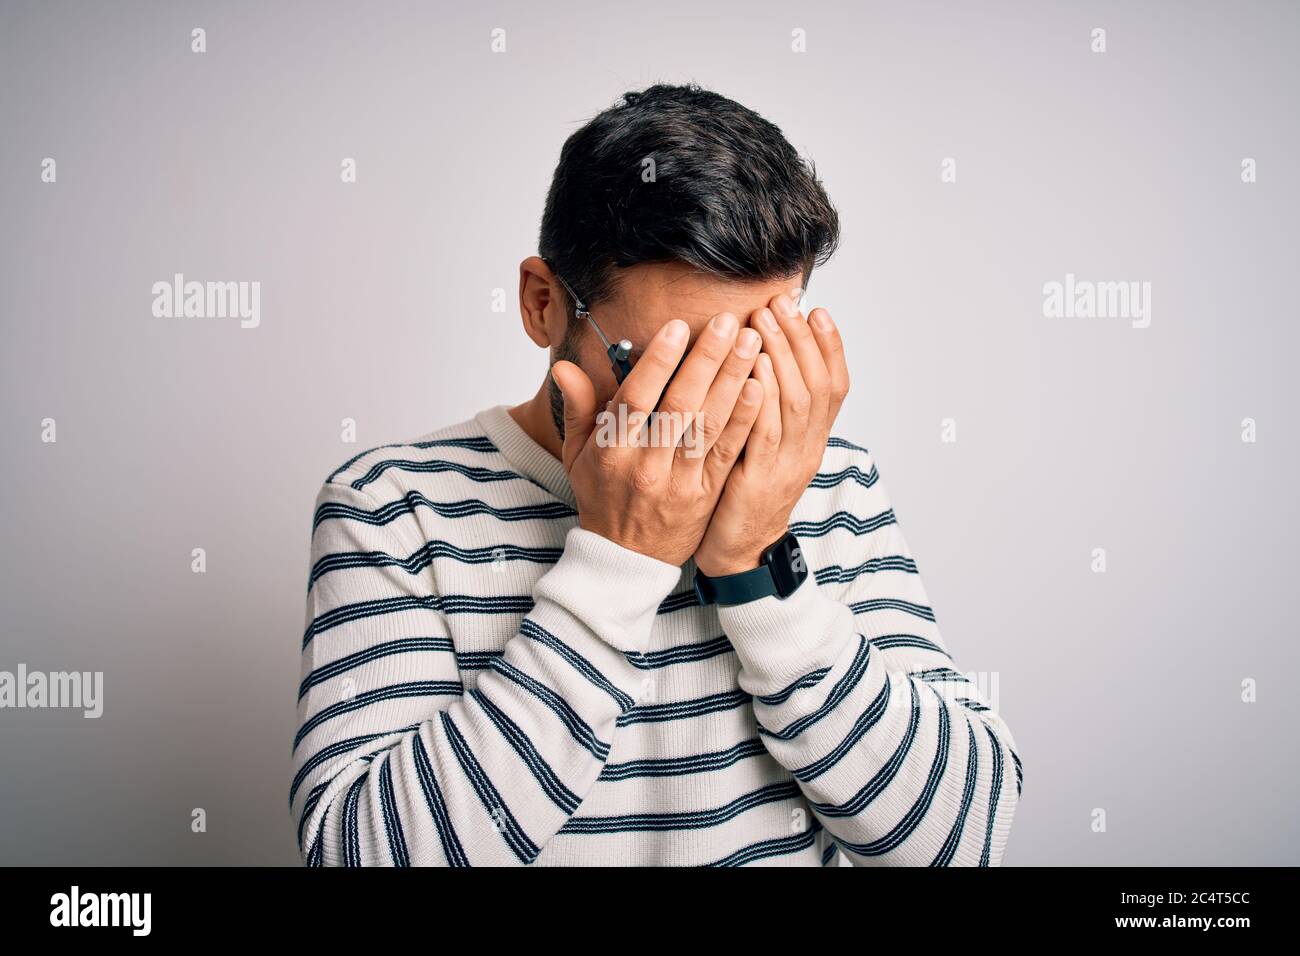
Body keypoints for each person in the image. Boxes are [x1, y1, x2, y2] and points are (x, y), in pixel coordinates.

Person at [291, 83, 1022, 866]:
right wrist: (618, 564)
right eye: (662, 366)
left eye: (753, 359)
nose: (710, 418)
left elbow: (958, 840)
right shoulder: (391, 508)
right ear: (544, 304)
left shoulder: (829, 481)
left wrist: (758, 568)